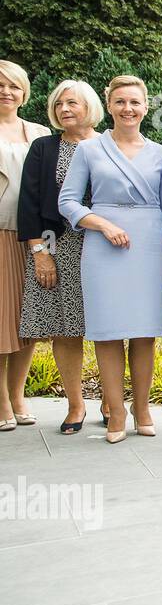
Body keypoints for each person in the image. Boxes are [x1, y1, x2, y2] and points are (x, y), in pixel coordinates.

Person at [57, 76, 162, 443]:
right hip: (103, 246)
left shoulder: (161, 154)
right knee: (107, 333)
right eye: (120, 102)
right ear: (108, 106)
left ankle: (142, 409)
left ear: (146, 108)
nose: (128, 109)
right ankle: (116, 412)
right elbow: (69, 202)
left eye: (135, 103)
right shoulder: (90, 150)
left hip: (150, 245)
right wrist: (102, 224)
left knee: (144, 333)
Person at [18, 80, 100, 433]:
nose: (64, 109)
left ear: (90, 107)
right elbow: (30, 205)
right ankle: (76, 405)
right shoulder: (43, 148)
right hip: (57, 248)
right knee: (65, 330)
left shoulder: (110, 144)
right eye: (59, 104)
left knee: (109, 329)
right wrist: (41, 254)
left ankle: (113, 403)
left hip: (103, 248)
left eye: (72, 103)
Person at [0, 61, 51, 431]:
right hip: (0, 231)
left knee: (27, 319)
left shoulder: (39, 132)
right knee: (1, 319)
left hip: (33, 236)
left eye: (13, 86)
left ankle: (18, 395)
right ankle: (1, 401)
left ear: (24, 92)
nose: (6, 92)